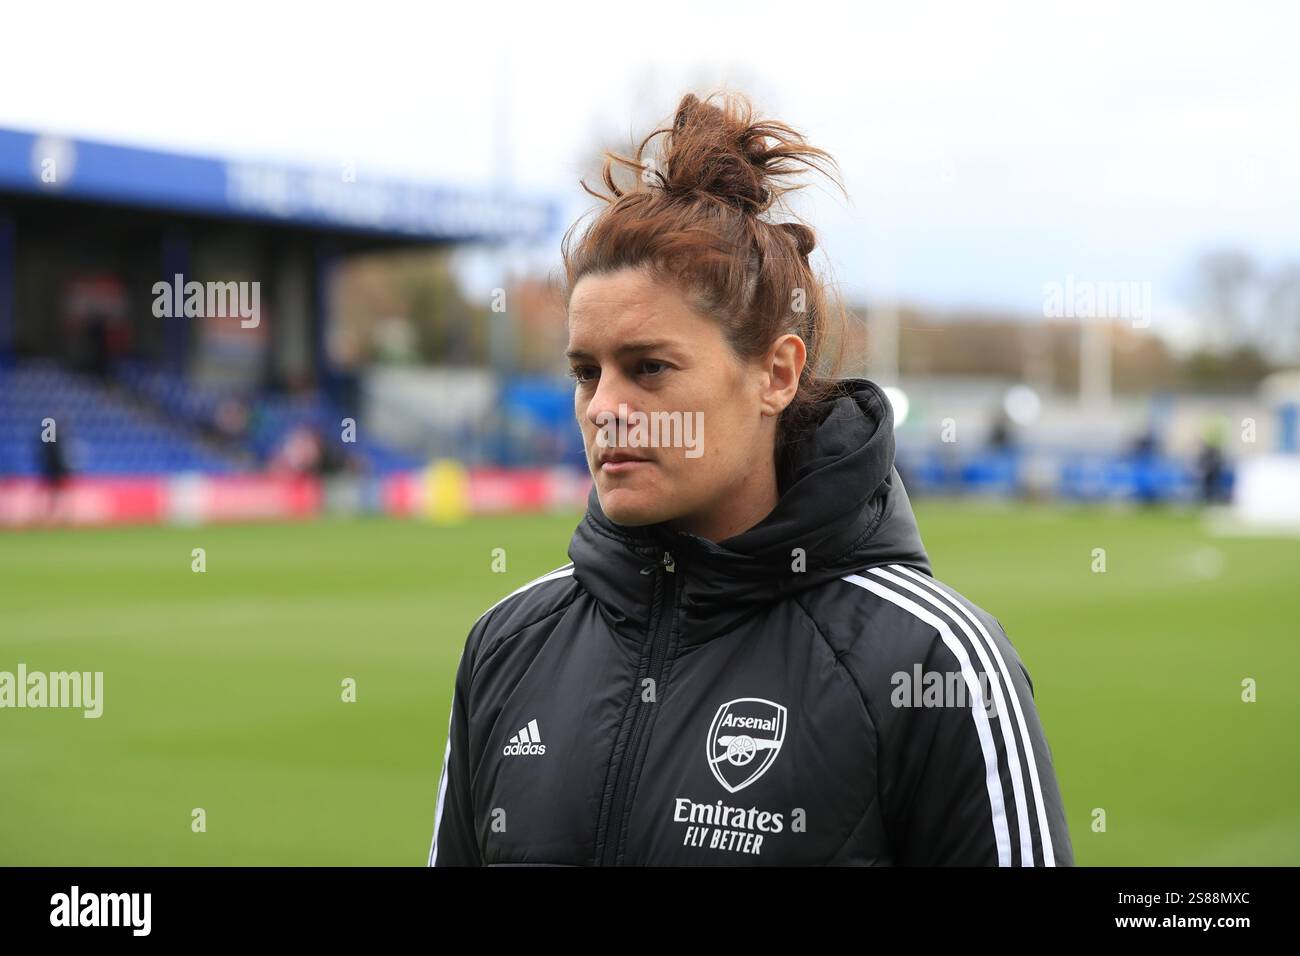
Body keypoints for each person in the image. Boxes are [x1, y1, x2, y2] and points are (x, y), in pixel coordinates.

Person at [428, 91, 1073, 866]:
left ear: (775, 373)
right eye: (584, 372)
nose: (605, 409)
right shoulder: (508, 644)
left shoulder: (933, 661)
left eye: (648, 368)